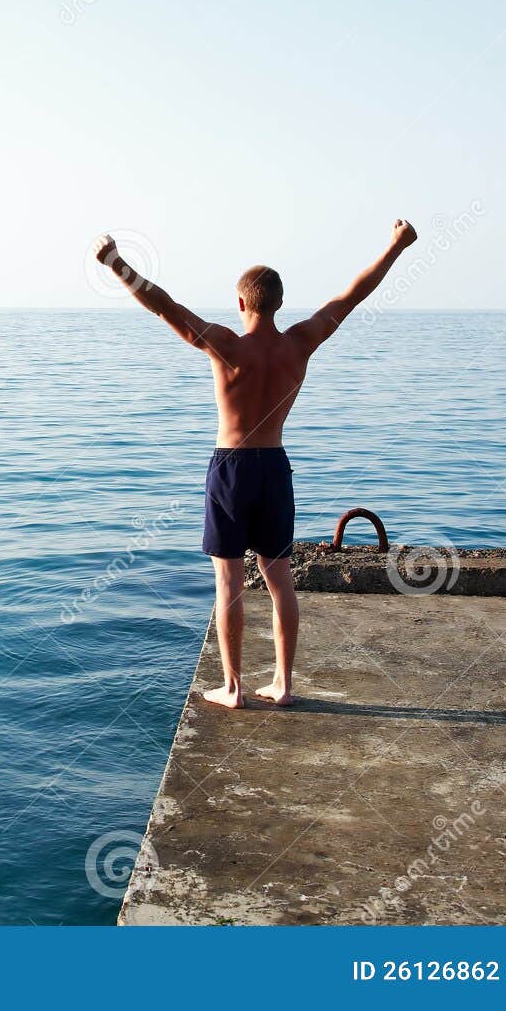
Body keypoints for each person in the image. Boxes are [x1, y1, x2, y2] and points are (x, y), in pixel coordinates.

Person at [93, 219, 419, 708]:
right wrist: (396, 245)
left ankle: (234, 687)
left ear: (242, 303)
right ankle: (284, 684)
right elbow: (352, 296)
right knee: (279, 576)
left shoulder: (225, 344)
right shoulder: (300, 343)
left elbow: (164, 306)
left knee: (229, 581)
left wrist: (117, 263)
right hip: (274, 467)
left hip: (231, 468)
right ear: (280, 304)